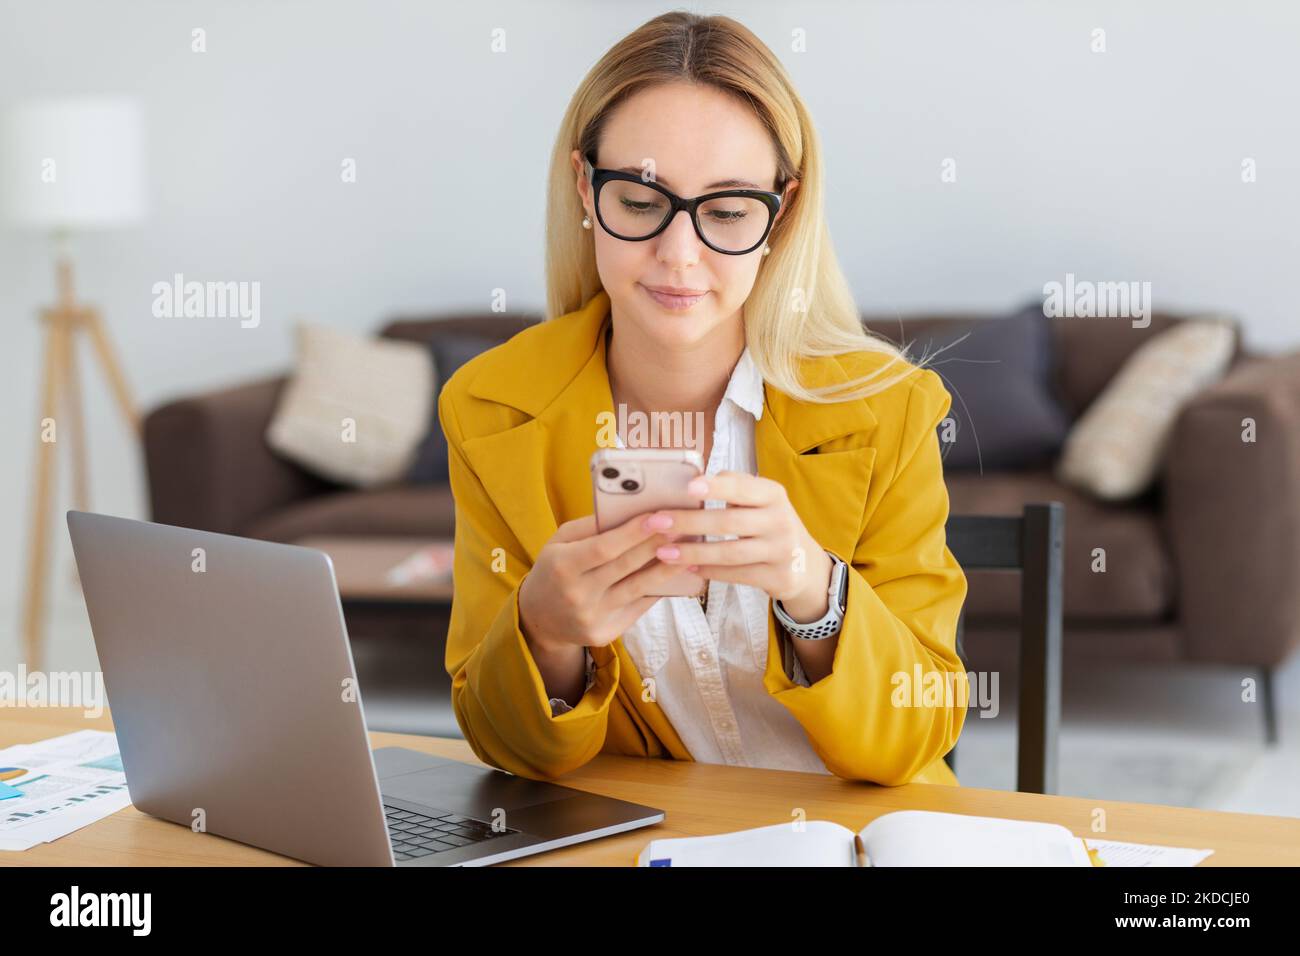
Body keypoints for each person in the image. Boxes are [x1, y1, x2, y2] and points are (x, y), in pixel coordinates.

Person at [438, 11, 969, 786]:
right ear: (586, 187)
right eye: (639, 201)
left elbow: (918, 729)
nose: (679, 255)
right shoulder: (490, 408)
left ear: (780, 214)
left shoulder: (891, 409)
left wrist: (813, 591)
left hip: (858, 833)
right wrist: (543, 634)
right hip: (649, 837)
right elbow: (505, 746)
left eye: (725, 212)